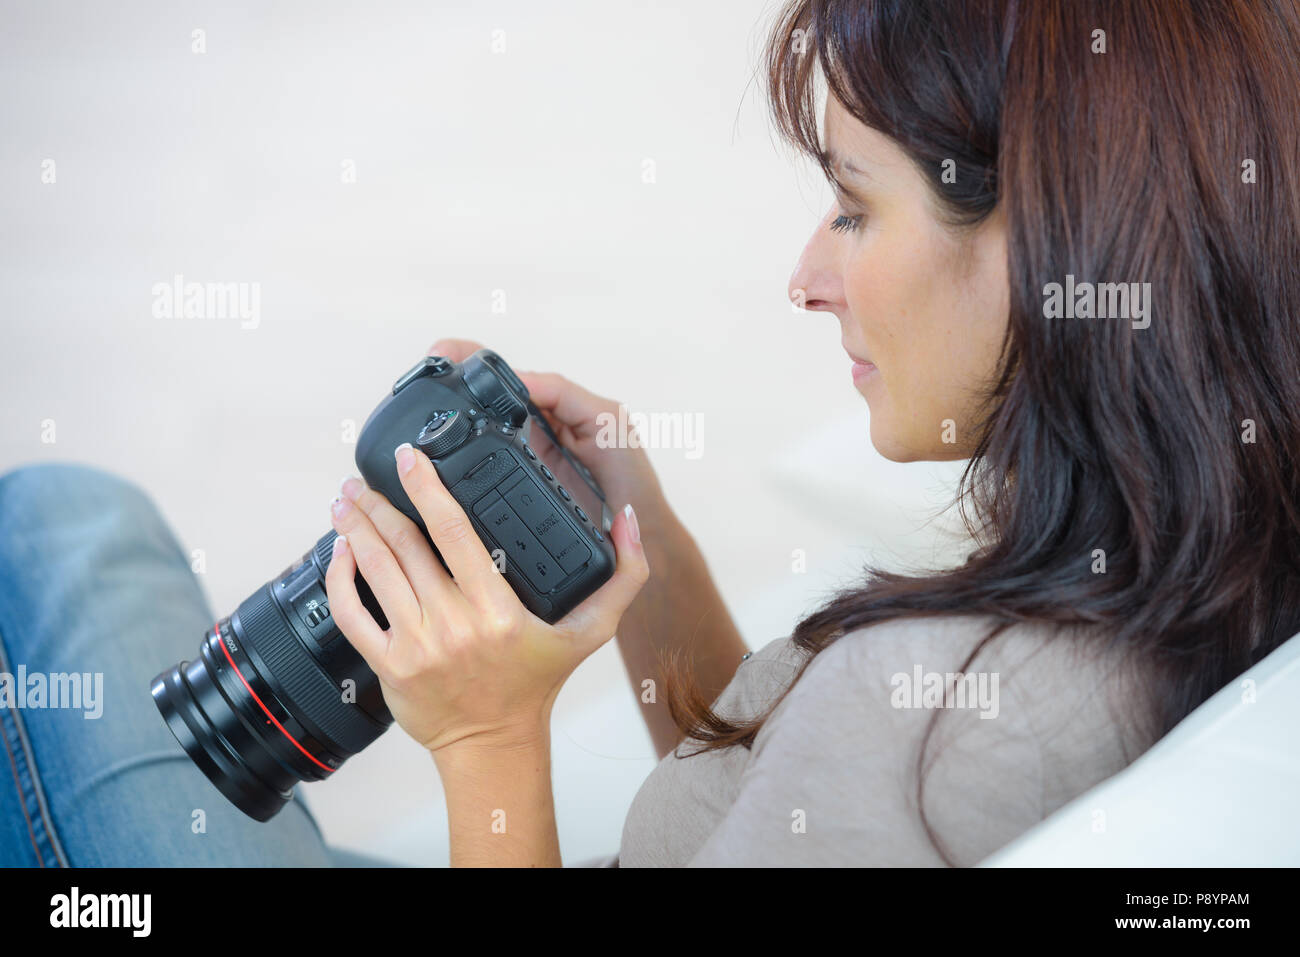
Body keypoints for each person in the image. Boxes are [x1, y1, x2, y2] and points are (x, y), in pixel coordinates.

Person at [3, 0, 1298, 867]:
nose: (807, 277)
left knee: (60, 524)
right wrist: (640, 531)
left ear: (1050, 248)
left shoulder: (954, 719)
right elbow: (765, 805)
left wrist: (486, 741)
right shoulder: (1179, 580)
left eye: (853, 209)